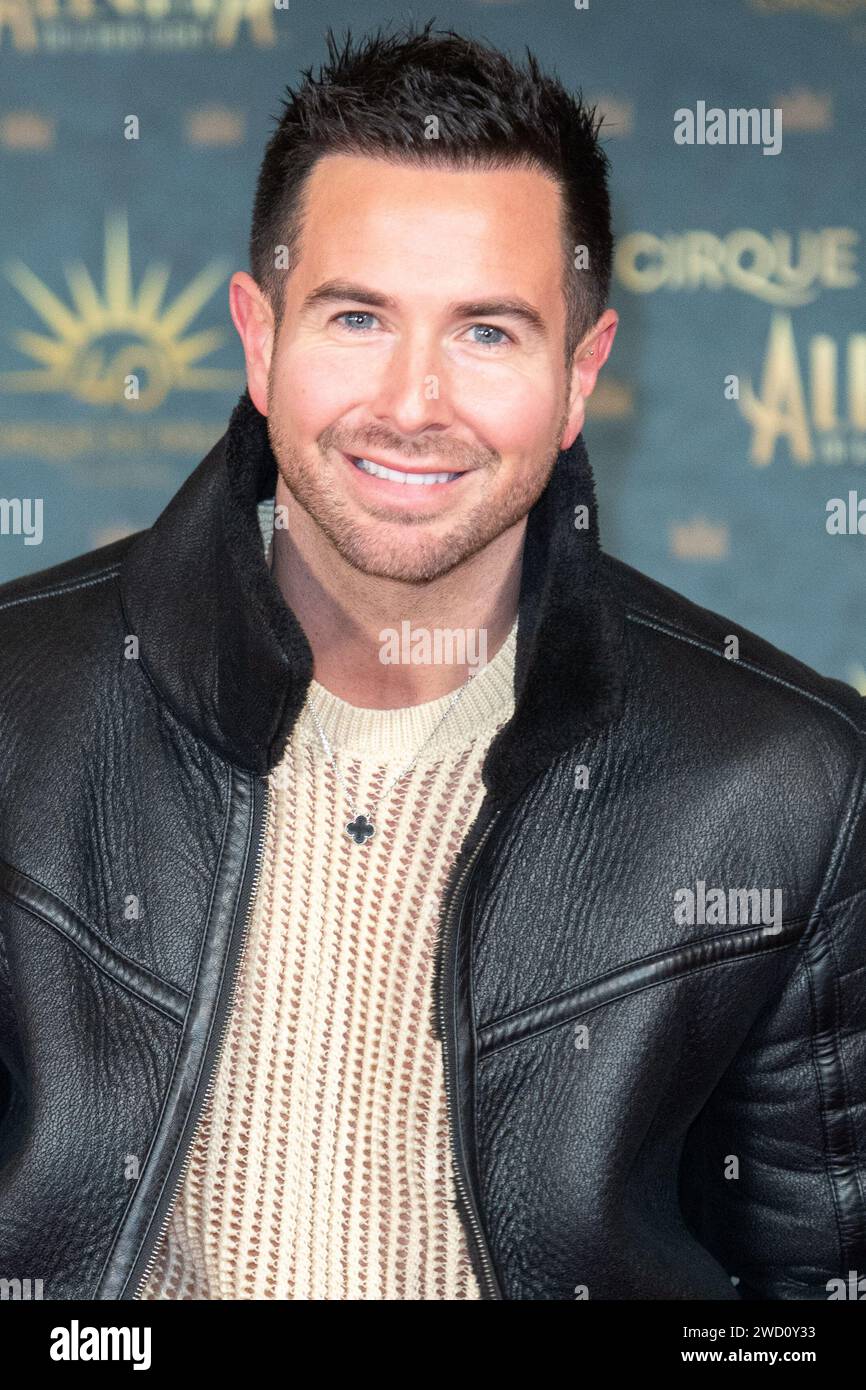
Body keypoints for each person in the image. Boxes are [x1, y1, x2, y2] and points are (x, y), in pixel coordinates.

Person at [0, 21, 864, 1303]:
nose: (411, 403)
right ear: (257, 337)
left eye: (487, 333)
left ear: (579, 377)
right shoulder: (19, 706)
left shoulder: (783, 783)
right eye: (357, 316)